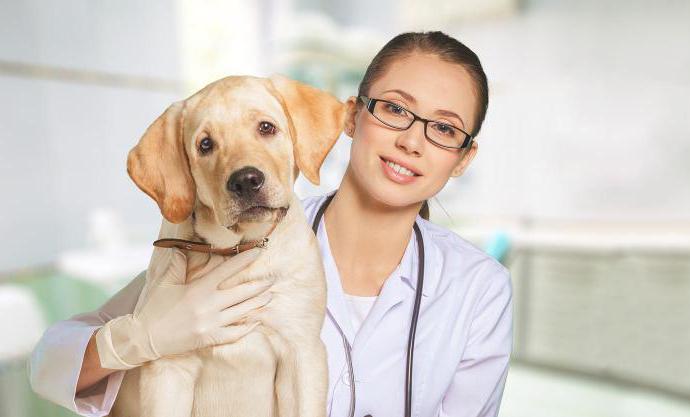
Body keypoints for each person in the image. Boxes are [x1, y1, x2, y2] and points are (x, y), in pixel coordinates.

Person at [29, 30, 513, 417]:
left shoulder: (478, 288)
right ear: (349, 118)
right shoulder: (217, 249)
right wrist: (138, 338)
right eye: (394, 109)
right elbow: (49, 363)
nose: (413, 141)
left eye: (445, 128)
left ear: (464, 158)